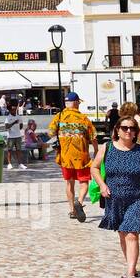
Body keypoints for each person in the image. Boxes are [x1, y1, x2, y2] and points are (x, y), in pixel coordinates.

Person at [92, 114, 140, 278]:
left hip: (136, 197)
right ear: (117, 129)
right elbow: (94, 167)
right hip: (113, 197)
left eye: (132, 128)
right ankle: (130, 265)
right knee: (122, 233)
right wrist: (101, 185)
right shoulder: (106, 148)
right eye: (125, 128)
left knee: (131, 233)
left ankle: (131, 272)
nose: (129, 131)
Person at [49, 92, 97, 222]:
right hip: (82, 158)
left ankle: (72, 210)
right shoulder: (83, 119)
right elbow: (93, 137)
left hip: (65, 158)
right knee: (84, 182)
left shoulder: (59, 117)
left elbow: (51, 133)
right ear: (76, 103)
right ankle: (79, 202)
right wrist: (96, 152)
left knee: (69, 183)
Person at [4, 100, 26, 169]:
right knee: (9, 150)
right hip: (10, 136)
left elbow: (21, 126)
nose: (13, 111)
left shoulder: (19, 117)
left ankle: (20, 163)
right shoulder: (8, 118)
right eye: (12, 110)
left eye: (14, 109)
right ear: (10, 110)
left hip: (18, 136)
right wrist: (14, 123)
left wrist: (19, 126)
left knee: (19, 150)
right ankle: (9, 164)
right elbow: (6, 127)